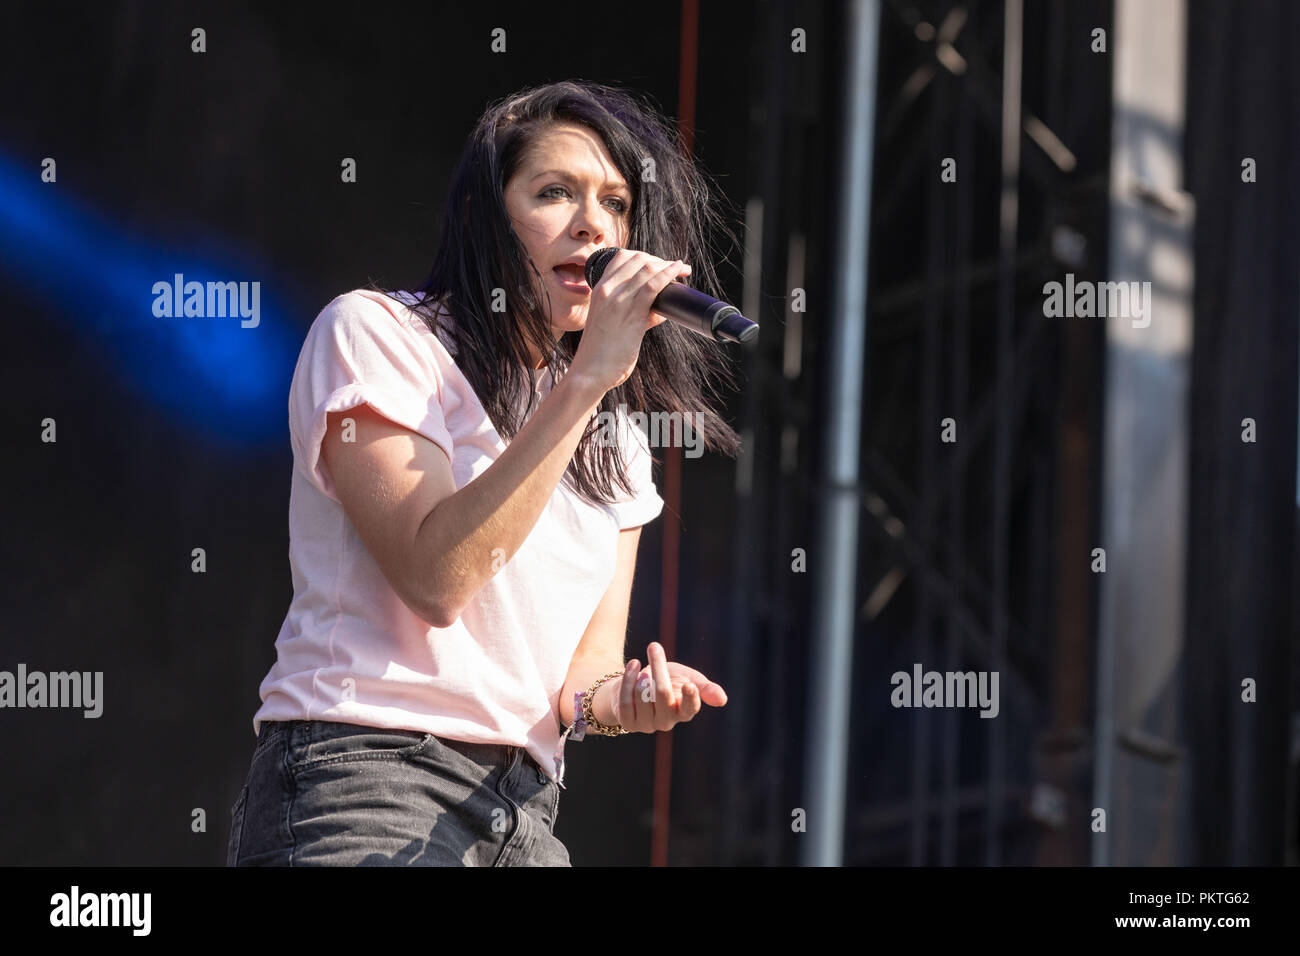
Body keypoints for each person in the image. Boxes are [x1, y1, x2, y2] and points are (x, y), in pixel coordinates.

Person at [227, 80, 740, 867]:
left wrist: (628, 704)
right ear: (484, 217)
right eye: (555, 193)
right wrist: (585, 382)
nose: (591, 224)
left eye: (615, 203)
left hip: (525, 817)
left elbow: (580, 691)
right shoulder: (379, 336)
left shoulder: (616, 441)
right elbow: (438, 577)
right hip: (369, 780)